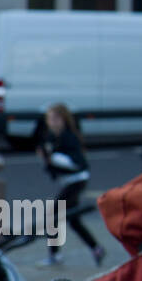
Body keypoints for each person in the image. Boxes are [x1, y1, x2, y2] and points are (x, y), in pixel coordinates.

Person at [37, 103, 105, 267]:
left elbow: (77, 163)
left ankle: (55, 256)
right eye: (49, 119)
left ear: (62, 119)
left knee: (52, 215)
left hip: (77, 180)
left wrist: (52, 158)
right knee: (73, 219)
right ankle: (96, 248)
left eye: (54, 118)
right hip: (69, 181)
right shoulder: (52, 137)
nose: (51, 122)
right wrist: (47, 159)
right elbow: (52, 167)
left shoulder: (69, 137)